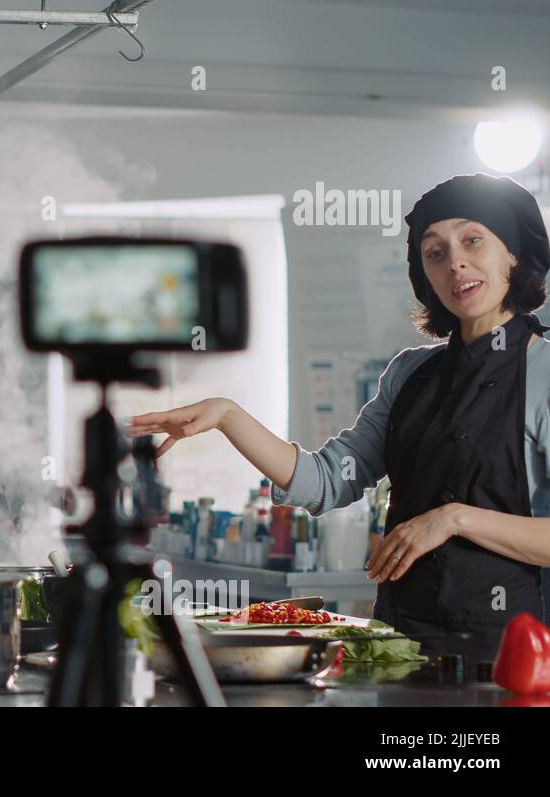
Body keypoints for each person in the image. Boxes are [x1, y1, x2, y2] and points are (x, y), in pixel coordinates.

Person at [130, 173, 550, 665]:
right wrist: (228, 416)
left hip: (512, 655)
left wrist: (454, 519)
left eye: (472, 240)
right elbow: (326, 481)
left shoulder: (543, 374)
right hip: (401, 647)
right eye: (434, 252)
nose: (455, 261)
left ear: (514, 254)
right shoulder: (412, 374)